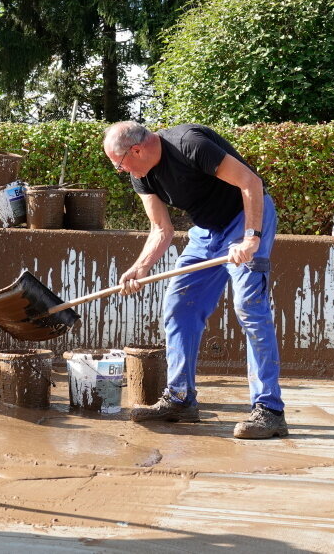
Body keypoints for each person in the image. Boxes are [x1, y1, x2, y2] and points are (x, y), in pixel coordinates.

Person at [103, 122, 287, 440]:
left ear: (136, 150)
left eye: (119, 163)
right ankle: (180, 400)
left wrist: (251, 238)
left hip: (245, 219)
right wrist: (140, 267)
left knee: (249, 306)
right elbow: (162, 229)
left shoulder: (190, 144)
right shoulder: (141, 175)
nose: (120, 171)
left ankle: (270, 410)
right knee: (179, 305)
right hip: (205, 233)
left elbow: (251, 183)